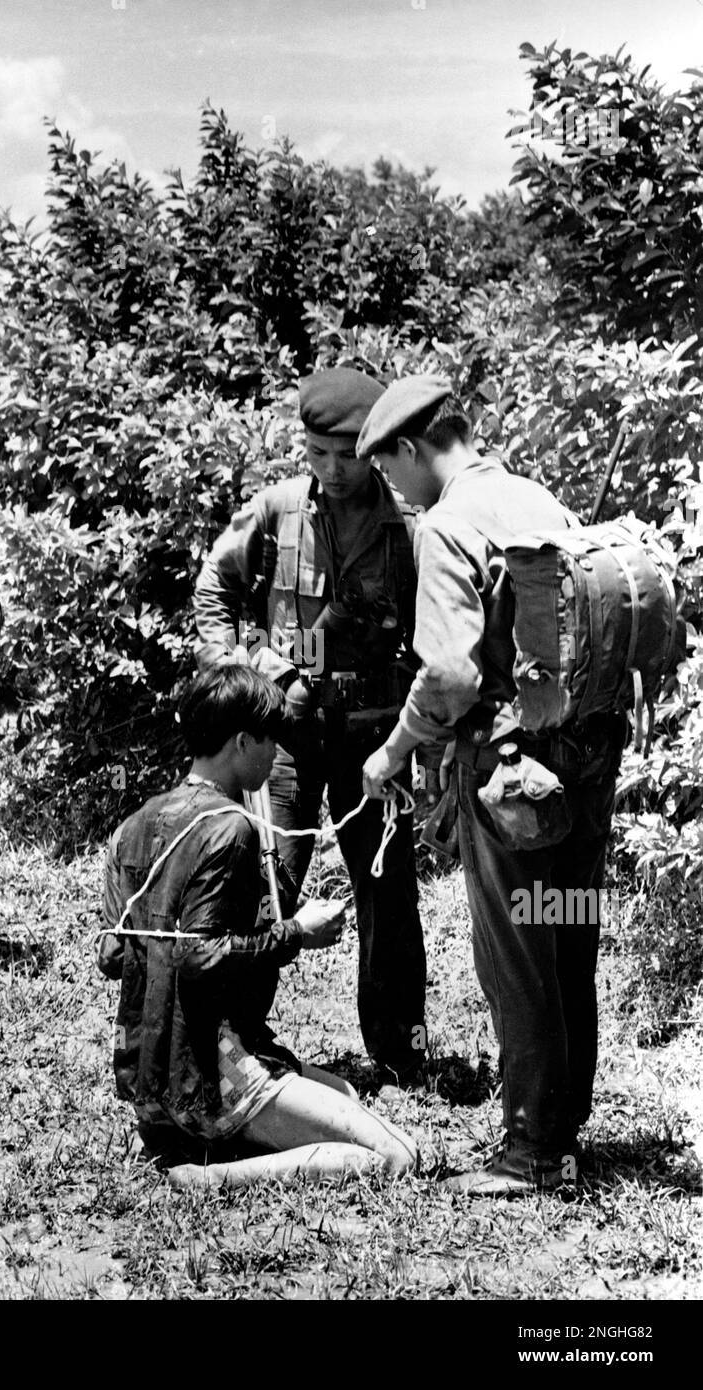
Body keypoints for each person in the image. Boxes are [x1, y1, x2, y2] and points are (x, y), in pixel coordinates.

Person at [358, 377, 627, 1196]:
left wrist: (393, 751)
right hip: (584, 759)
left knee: (516, 949)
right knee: (566, 929)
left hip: (512, 778)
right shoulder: (535, 495)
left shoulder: (447, 526)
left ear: (412, 447)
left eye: (389, 470)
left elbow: (446, 673)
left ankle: (533, 1152)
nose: (394, 492)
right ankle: (564, 1123)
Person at [193, 367, 426, 1096]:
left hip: (373, 745)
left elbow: (434, 638)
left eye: (348, 453)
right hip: (283, 741)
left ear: (376, 447)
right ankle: (234, 1036)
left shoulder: (407, 533)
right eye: (318, 452)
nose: (332, 468)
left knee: (386, 892)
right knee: (267, 881)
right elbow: (213, 589)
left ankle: (397, 1051)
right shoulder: (276, 509)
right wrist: (248, 670)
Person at [105, 665, 420, 1189]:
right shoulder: (232, 828)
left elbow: (113, 956)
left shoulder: (132, 826)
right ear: (242, 741)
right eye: (271, 741)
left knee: (344, 1092)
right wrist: (298, 932)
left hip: (146, 1079)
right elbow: (200, 956)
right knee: (396, 1155)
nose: (276, 755)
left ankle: (190, 1139)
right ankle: (210, 1176)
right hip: (210, 1073)